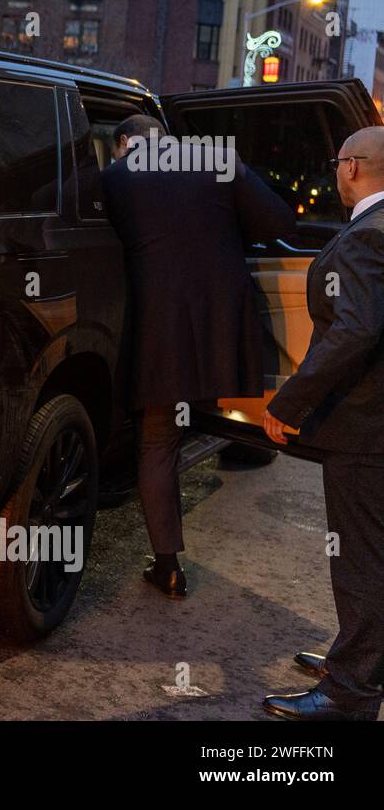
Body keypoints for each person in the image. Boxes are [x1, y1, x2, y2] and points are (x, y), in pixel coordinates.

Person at [100, 114, 294, 597]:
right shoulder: (219, 162)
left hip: (157, 330)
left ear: (124, 143)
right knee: (232, 412)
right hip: (223, 328)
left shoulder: (114, 178)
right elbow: (279, 221)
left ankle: (168, 566)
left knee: (157, 442)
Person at [262, 126, 384, 721]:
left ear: (354, 168)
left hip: (367, 428)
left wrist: (289, 401)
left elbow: (355, 331)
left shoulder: (368, 238)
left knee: (362, 560)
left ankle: (350, 695)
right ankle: (360, 662)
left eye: (337, 163)